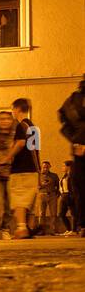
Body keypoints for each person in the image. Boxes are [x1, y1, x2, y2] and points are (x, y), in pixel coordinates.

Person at [8, 98, 40, 239]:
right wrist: (38, 170)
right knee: (27, 201)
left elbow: (20, 144)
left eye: (12, 110)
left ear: (17, 109)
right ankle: (27, 227)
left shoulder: (20, 126)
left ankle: (22, 228)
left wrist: (8, 157)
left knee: (18, 199)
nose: (12, 113)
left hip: (20, 168)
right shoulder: (33, 127)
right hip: (32, 169)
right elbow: (36, 150)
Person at [58, 76, 85, 236]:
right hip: (80, 148)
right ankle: (83, 224)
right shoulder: (75, 99)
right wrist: (75, 141)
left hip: (80, 146)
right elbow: (64, 121)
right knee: (81, 188)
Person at [36, 162, 61, 235]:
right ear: (41, 167)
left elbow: (58, 185)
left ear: (50, 167)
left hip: (52, 195)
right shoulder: (38, 175)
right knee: (41, 213)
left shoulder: (54, 175)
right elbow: (34, 186)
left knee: (53, 213)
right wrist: (41, 185)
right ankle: (41, 230)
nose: (45, 169)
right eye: (44, 167)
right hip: (42, 194)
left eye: (47, 167)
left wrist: (57, 195)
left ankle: (53, 230)